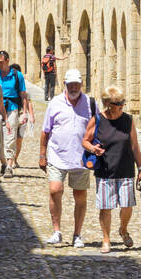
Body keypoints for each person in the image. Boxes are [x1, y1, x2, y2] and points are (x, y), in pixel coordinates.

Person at [82, 85, 141, 253]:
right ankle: (106, 239)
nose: (122, 105)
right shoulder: (98, 119)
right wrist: (93, 149)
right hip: (105, 170)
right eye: (118, 103)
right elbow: (85, 140)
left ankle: (123, 229)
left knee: (127, 205)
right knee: (106, 207)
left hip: (125, 169)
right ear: (108, 103)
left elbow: (135, 146)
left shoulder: (128, 120)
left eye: (123, 102)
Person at [39, 69, 93, 248]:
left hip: (81, 157)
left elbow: (97, 127)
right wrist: (42, 154)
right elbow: (45, 131)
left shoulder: (90, 103)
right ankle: (57, 231)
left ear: (81, 84)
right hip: (57, 155)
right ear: (65, 84)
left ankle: (77, 234)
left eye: (77, 84)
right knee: (55, 190)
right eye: (71, 85)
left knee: (80, 196)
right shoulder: (55, 103)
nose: (74, 87)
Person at [0, 50, 30, 175]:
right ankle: (3, 162)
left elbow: (23, 95)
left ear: (7, 61)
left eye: (1, 62)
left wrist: (24, 113)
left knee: (10, 136)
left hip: (12, 109)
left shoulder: (17, 75)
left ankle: (9, 165)